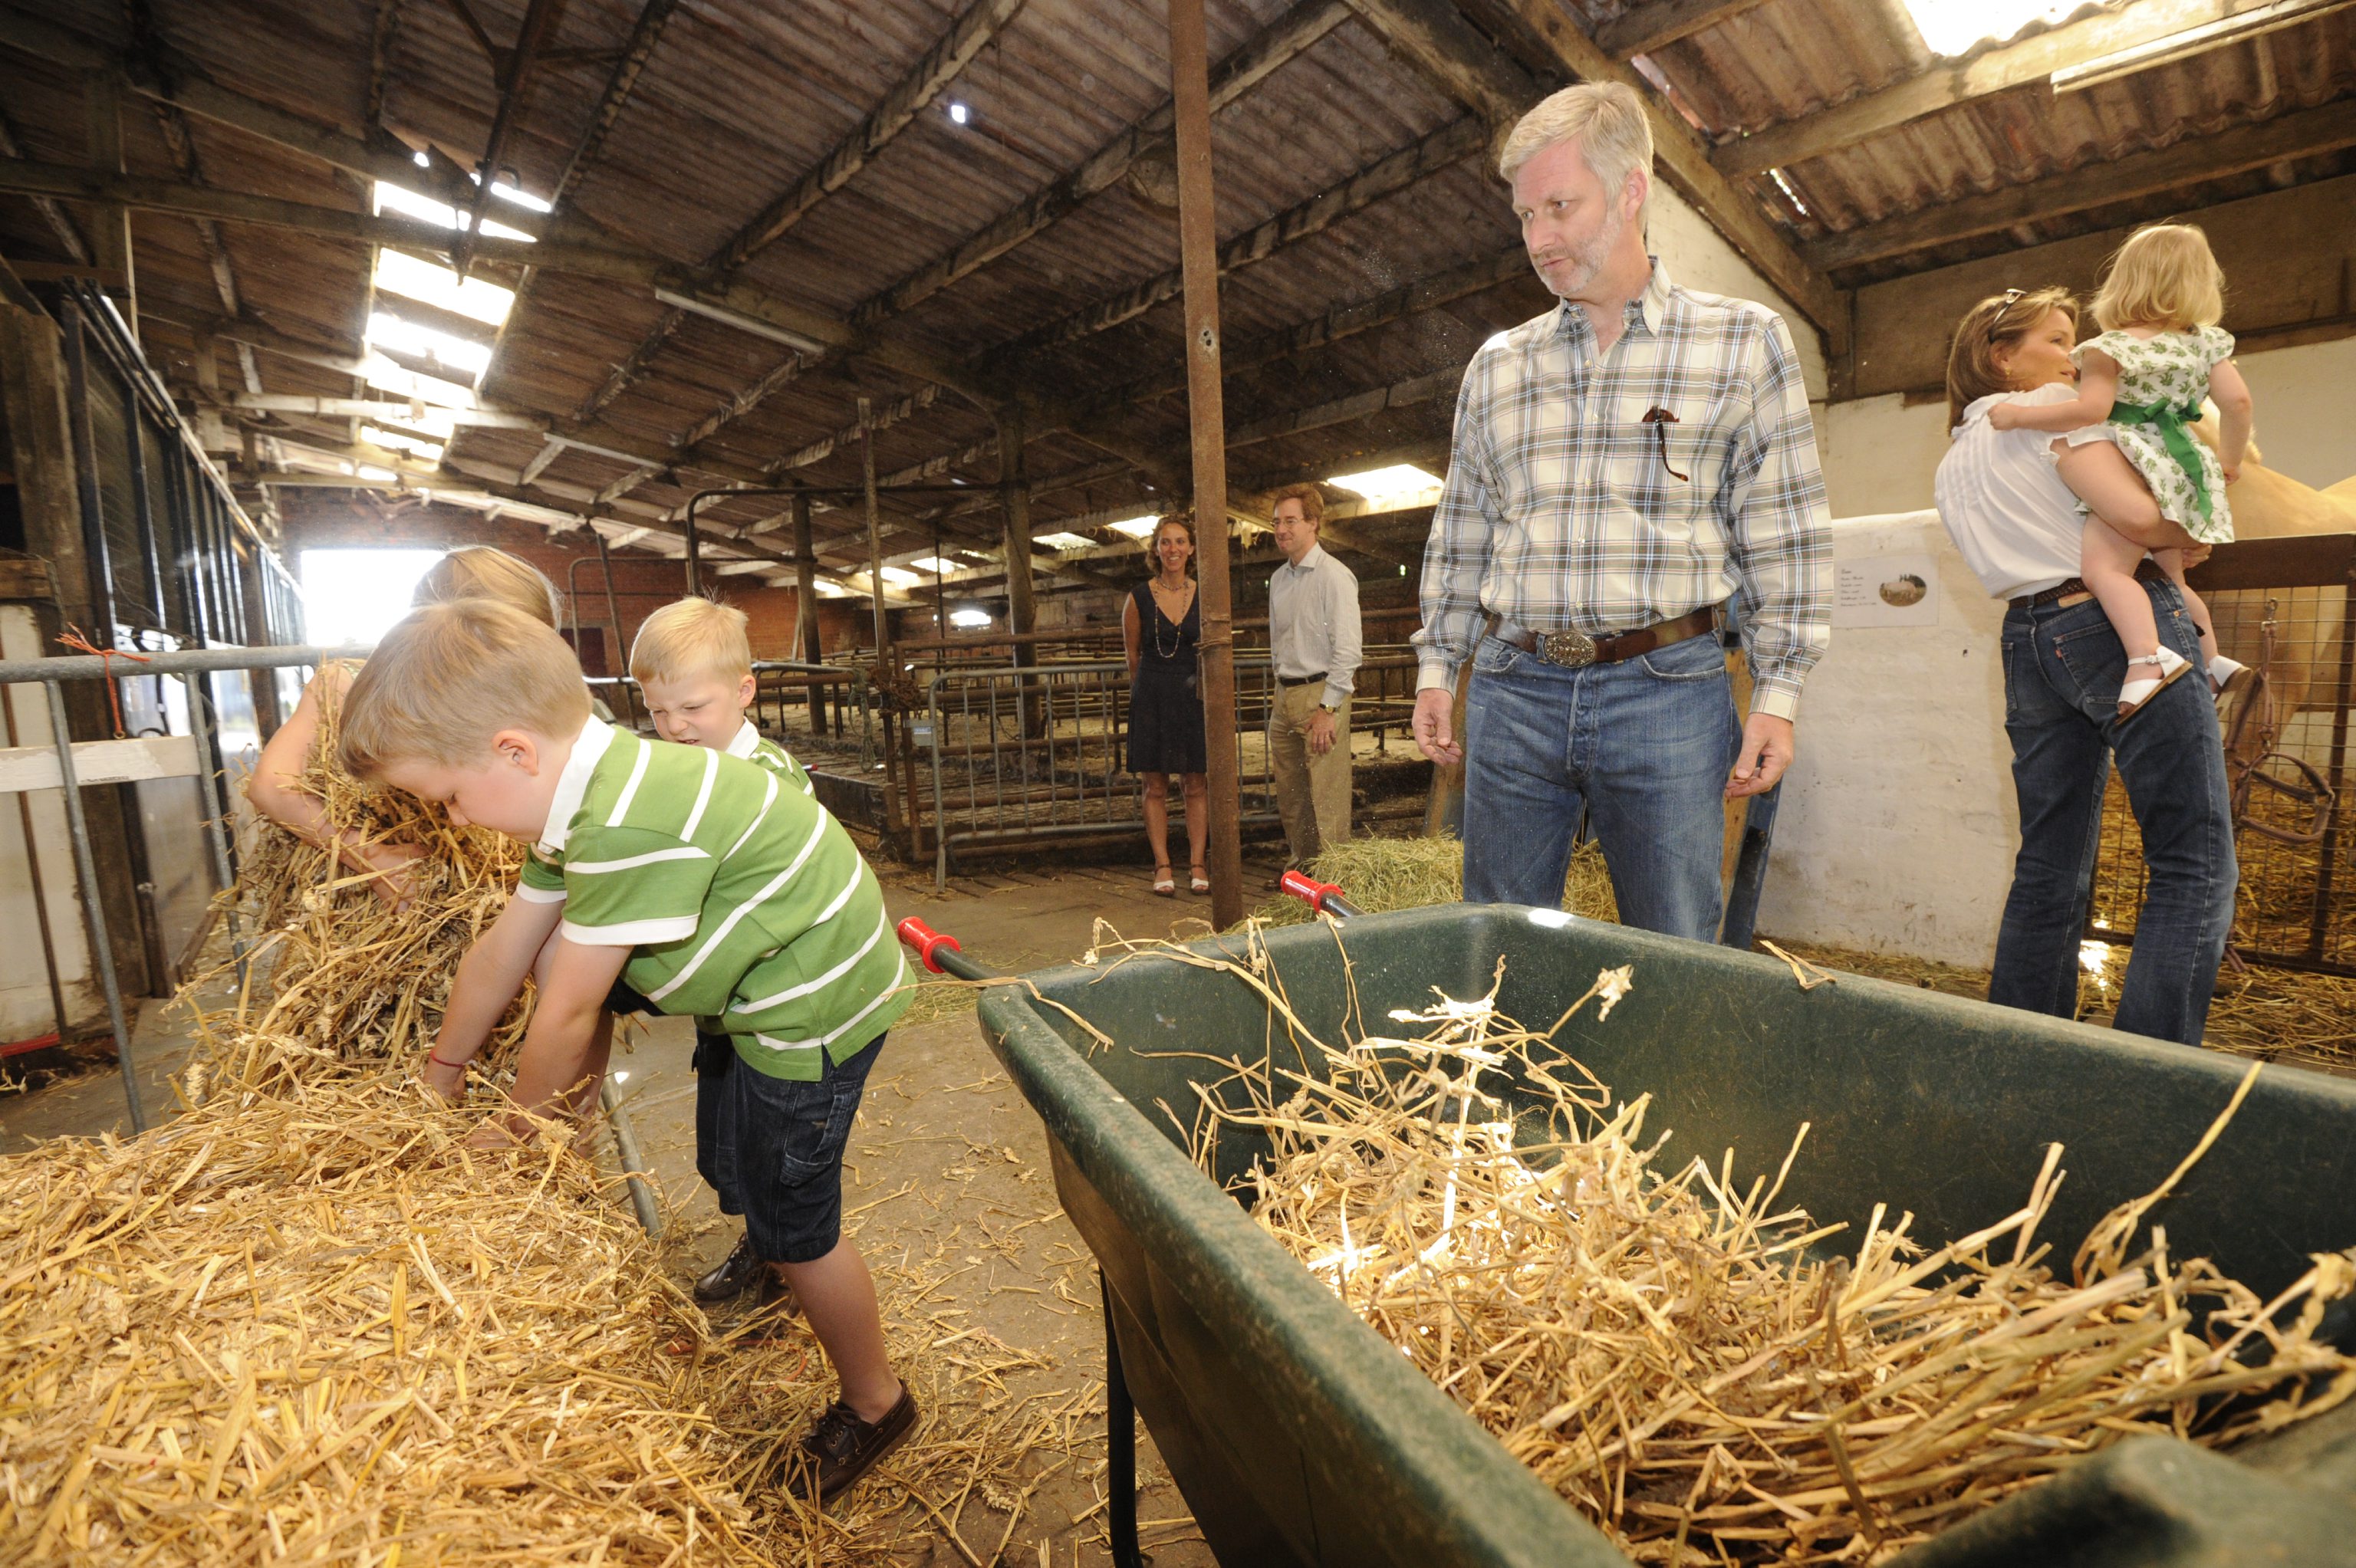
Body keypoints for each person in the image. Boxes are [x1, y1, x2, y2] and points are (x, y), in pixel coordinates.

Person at [344, 599, 918, 1499]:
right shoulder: (586, 790)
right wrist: (440, 1076)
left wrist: (524, 1132)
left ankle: (877, 1401)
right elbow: (504, 949)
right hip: (761, 984)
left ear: (512, 752)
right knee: (557, 965)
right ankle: (770, 1259)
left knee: (796, 1223)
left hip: (810, 1014)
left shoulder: (625, 818)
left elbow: (569, 1010)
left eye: (447, 796)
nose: (452, 817)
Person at [1410, 82, 1831, 942]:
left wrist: (1779, 690)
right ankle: (1501, 1083)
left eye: (1560, 205)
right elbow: (1462, 532)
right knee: (1496, 943)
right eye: (1526, 214)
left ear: (1632, 189)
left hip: (1667, 689)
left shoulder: (1744, 342)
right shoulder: (1498, 366)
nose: (1539, 238)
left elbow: (1784, 530)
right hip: (1513, 684)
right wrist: (1434, 666)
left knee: (1673, 944)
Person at [1933, 286, 2237, 1047]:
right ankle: (2145, 1072)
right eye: (2055, 339)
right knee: (2192, 858)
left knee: (2050, 860)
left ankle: (2021, 1054)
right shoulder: (2059, 420)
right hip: (2112, 622)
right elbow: (2137, 518)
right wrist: (2194, 522)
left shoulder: (1953, 461)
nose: (2072, 356)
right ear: (1999, 355)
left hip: (2029, 640)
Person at [628, 596, 818, 1316]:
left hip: (772, 1000)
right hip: (720, 1009)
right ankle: (765, 1244)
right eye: (658, 711)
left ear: (745, 691)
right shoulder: (680, 766)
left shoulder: (771, 777)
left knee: (771, 1153)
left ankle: (783, 1262)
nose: (674, 727)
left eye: (693, 708)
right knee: (723, 1151)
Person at [1985, 225, 2253, 715]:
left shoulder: (2109, 347)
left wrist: (2019, 417)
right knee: (2174, 584)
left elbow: (2090, 411)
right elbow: (2238, 402)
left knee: (2105, 570)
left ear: (2123, 282)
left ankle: (2147, 658)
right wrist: (2230, 462)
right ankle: (2214, 660)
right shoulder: (2208, 343)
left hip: (2137, 463)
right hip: (2184, 467)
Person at [248, 545, 564, 904]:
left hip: (498, 887)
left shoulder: (514, 693)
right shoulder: (348, 684)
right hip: (369, 902)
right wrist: (375, 859)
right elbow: (272, 787)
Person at [1264, 482, 1361, 887]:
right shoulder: (1279, 579)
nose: (1282, 529)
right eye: (1277, 522)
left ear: (1313, 524)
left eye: (1291, 521)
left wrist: (1328, 708)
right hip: (1286, 692)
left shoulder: (1334, 577)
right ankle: (1305, 871)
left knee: (1327, 790)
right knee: (1291, 791)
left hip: (1320, 695)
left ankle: (1336, 878)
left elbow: (1349, 649)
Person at [1121, 516, 1209, 896]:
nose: (1173, 549)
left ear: (1191, 548)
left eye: (1180, 542)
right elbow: (1132, 653)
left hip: (1192, 696)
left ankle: (1198, 863)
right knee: (1154, 784)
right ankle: (1162, 865)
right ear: (1156, 550)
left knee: (1195, 782)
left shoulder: (1205, 595)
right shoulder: (1139, 596)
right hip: (1152, 695)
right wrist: (1146, 692)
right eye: (1165, 542)